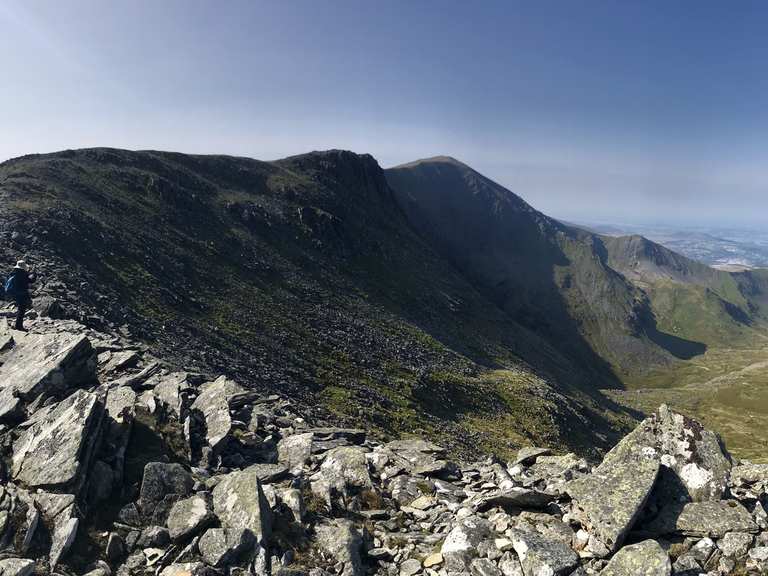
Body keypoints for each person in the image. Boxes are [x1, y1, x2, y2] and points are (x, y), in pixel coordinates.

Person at [5, 261, 36, 331]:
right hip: (21, 294)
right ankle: (18, 326)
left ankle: (18, 325)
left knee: (20, 309)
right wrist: (34, 273)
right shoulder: (22, 274)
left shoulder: (14, 272)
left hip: (16, 293)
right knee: (21, 310)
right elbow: (31, 280)